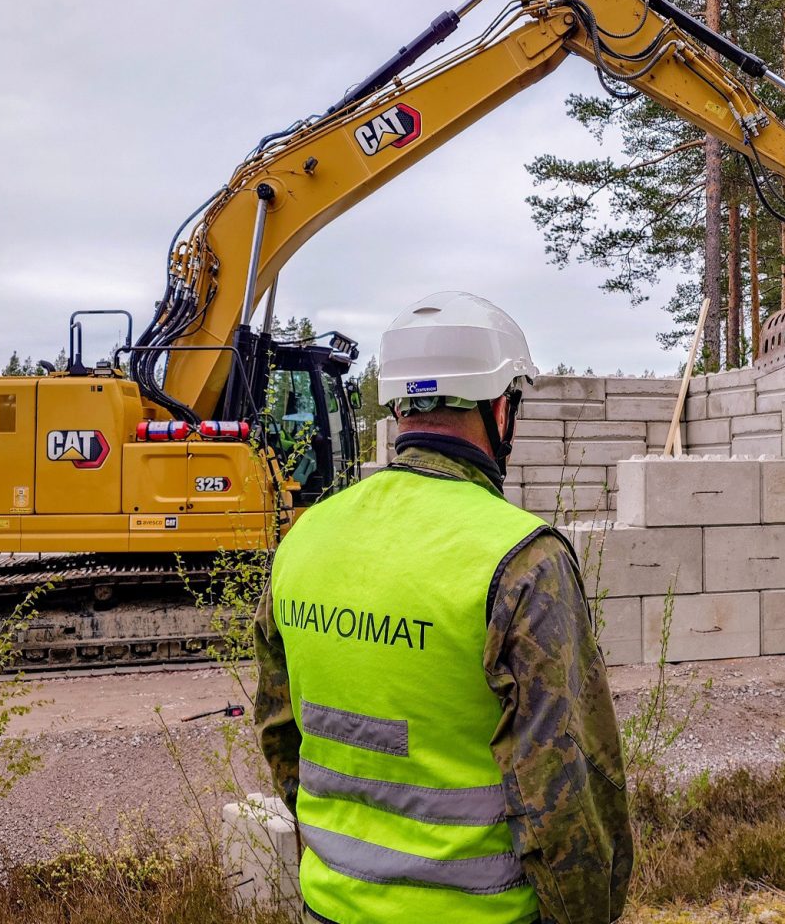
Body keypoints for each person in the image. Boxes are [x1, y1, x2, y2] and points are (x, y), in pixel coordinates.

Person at [254, 291, 632, 924]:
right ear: (501, 408)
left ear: (399, 404)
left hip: (331, 903)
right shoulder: (521, 561)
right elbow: (566, 791)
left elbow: (279, 732)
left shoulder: (304, 540)